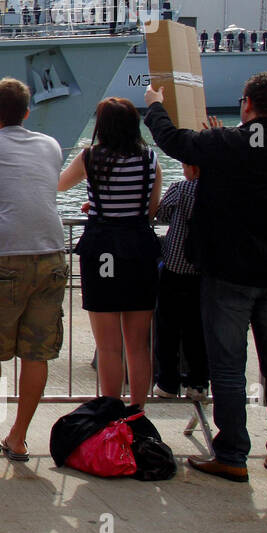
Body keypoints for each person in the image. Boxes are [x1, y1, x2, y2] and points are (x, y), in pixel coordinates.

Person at [144, 73, 267, 482]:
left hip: (228, 272)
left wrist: (154, 105)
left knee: (230, 366)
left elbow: (174, 141)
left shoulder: (227, 145)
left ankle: (233, 452)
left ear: (248, 104)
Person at [0, 77, 70, 463]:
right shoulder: (51, 145)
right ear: (27, 112)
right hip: (53, 252)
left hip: (6, 255)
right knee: (36, 353)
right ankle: (19, 437)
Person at [58, 98, 162, 406]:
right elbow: (150, 209)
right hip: (140, 249)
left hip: (103, 249)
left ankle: (110, 413)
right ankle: (138, 411)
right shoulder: (150, 158)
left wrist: (99, 203)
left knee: (108, 346)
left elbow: (61, 185)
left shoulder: (92, 157)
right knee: (138, 345)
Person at [152, 163, 208, 400]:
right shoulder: (219, 190)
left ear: (193, 168)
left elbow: (162, 214)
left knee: (168, 329)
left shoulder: (180, 188)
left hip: (175, 268)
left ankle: (167, 382)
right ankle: (198, 383)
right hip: (204, 273)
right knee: (198, 330)